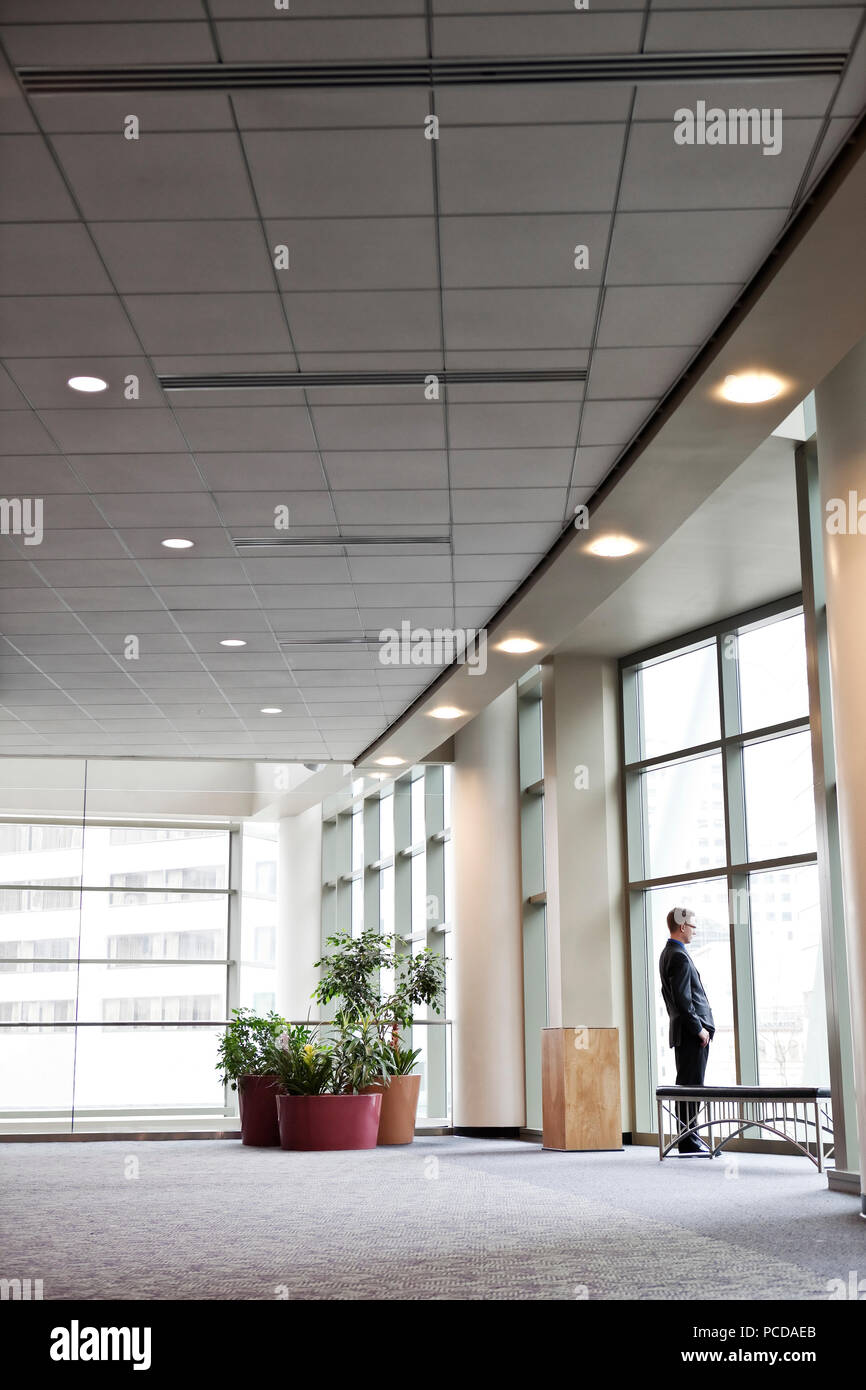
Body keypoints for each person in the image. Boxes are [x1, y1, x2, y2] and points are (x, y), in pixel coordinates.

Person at [659, 907, 715, 1155]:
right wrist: (699, 1029)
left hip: (684, 1033)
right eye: (692, 926)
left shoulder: (668, 953)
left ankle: (688, 1138)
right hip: (692, 1035)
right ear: (682, 927)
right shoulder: (679, 956)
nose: (694, 931)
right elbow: (684, 1001)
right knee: (692, 1087)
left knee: (687, 1086)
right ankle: (689, 1139)